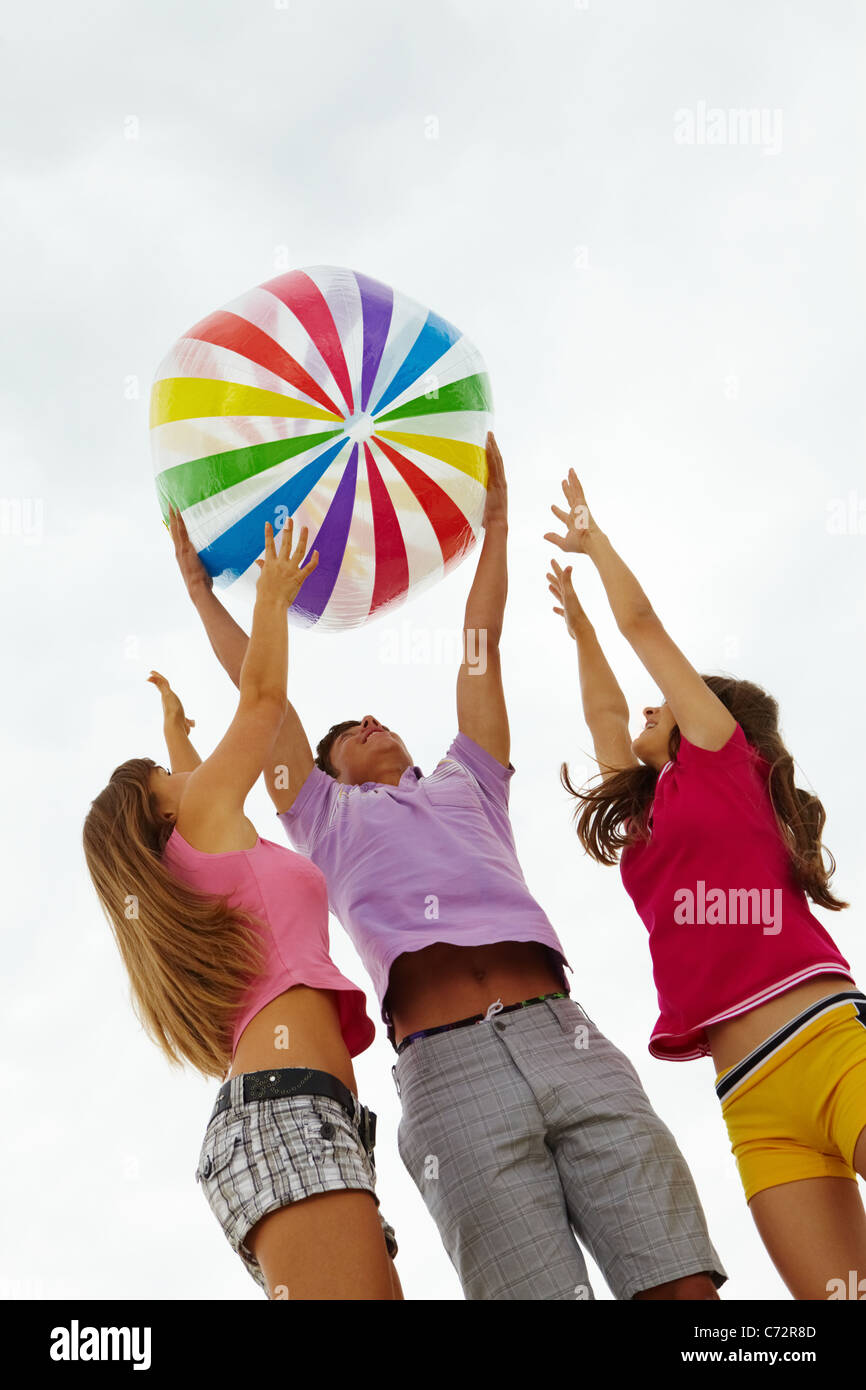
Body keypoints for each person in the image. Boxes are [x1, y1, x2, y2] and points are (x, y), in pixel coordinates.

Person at [170, 433, 726, 1301]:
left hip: (565, 1036)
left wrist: (495, 526)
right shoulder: (321, 813)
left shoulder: (472, 779)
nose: (367, 721)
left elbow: (481, 642)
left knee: (683, 1290)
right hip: (445, 1071)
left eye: (375, 716)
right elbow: (262, 699)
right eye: (345, 729)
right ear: (325, 769)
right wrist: (206, 596)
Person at [544, 467, 866, 1300]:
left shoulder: (726, 760)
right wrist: (578, 626)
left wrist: (595, 542)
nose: (650, 709)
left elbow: (644, 624)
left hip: (833, 1048)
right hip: (753, 1105)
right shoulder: (645, 829)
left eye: (666, 704)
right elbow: (604, 718)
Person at [82, 518, 400, 1300]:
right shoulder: (197, 833)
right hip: (285, 1114)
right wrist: (270, 597)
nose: (184, 769)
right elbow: (262, 700)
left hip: (307, 1117)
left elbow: (207, 782)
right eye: (164, 770)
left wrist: (177, 738)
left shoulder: (200, 861)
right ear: (158, 814)